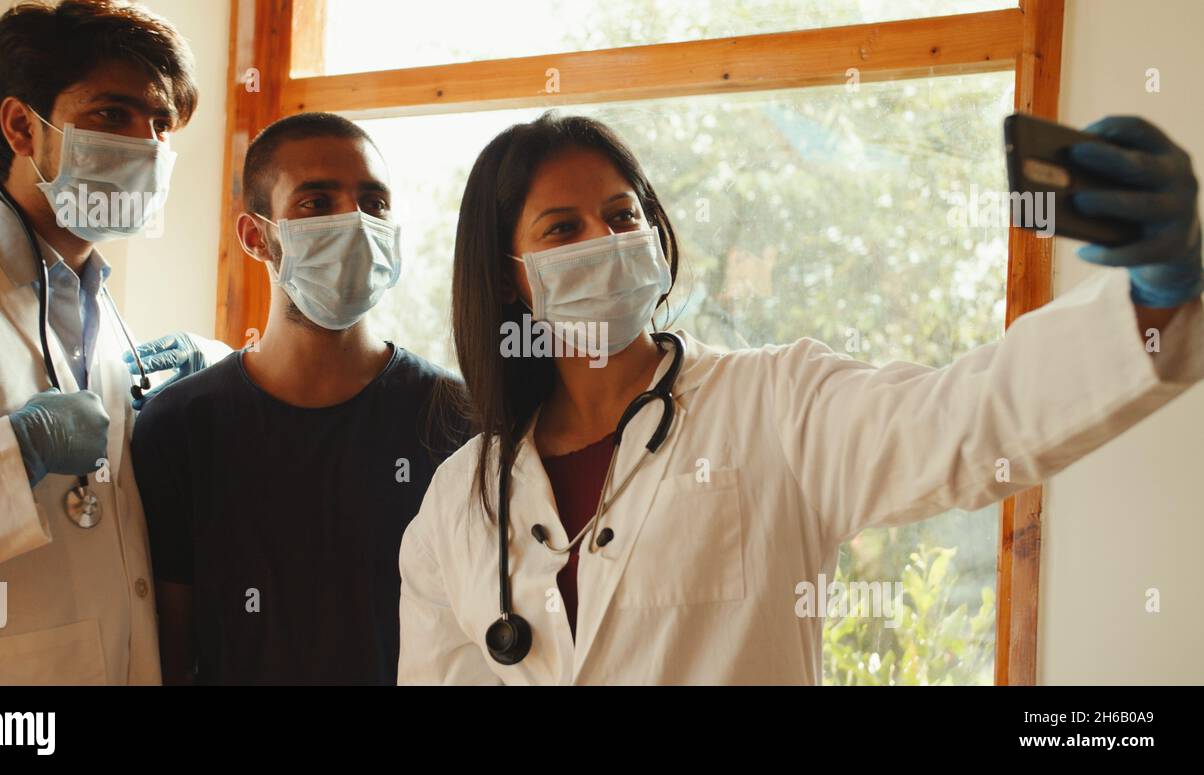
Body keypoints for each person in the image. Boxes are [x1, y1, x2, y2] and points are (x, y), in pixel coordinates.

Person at [397, 112, 1204, 685]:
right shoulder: (457, 505)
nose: (605, 243)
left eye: (621, 215)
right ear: (508, 275)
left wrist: (1156, 296)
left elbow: (966, 422)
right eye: (563, 229)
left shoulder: (774, 402)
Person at [0, 0, 224, 684]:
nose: (148, 145)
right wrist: (13, 454)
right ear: (22, 125)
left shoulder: (96, 298)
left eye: (161, 124)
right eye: (113, 115)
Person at [130, 112, 469, 685]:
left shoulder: (456, 417)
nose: (353, 221)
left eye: (373, 202)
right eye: (316, 202)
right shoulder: (181, 426)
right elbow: (171, 647)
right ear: (255, 236)